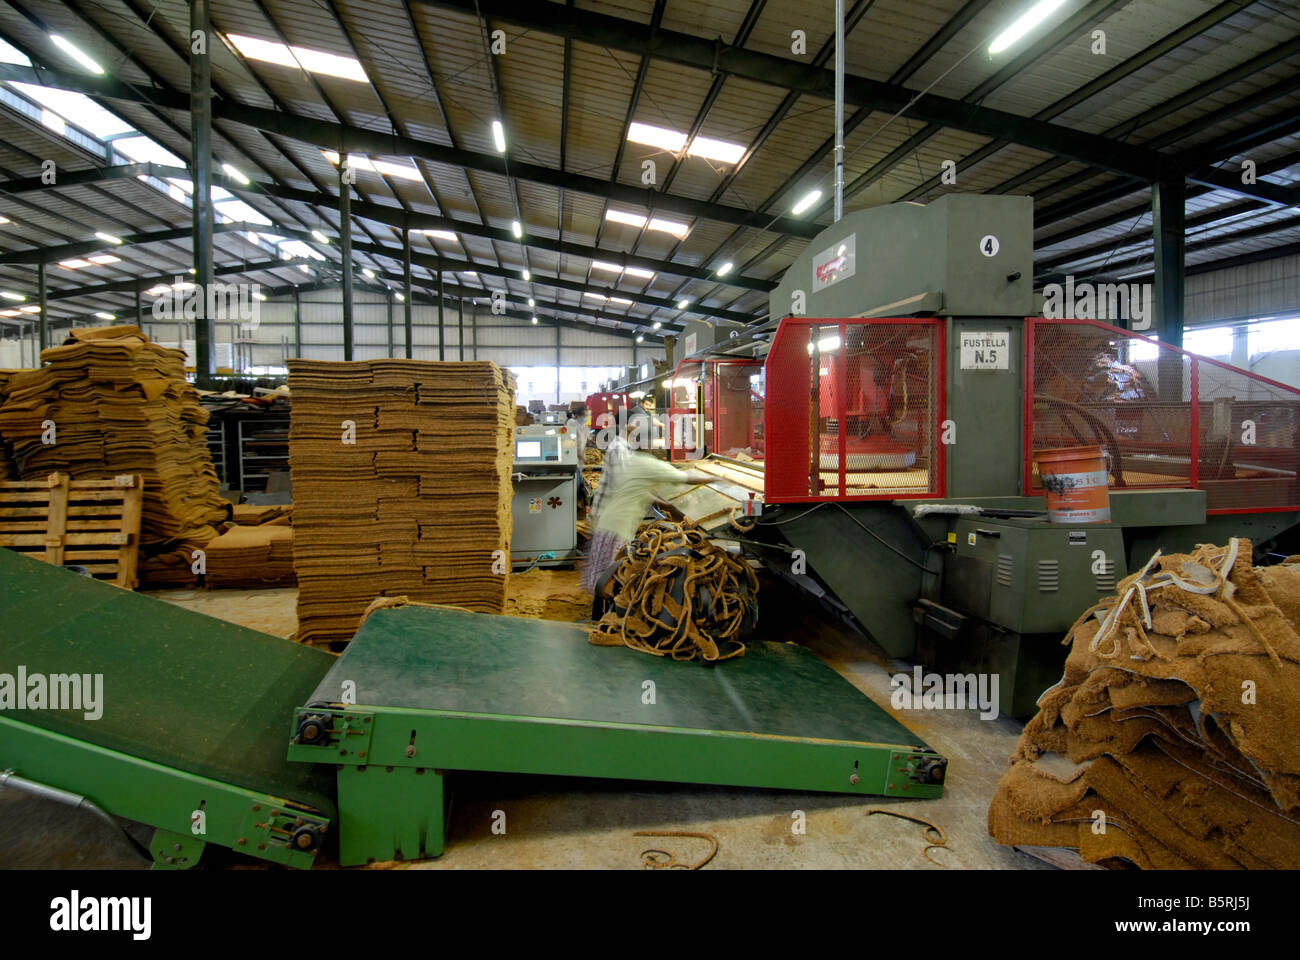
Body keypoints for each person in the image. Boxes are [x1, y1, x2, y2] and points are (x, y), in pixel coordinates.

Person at [581, 414, 716, 613]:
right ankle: (610, 616)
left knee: (603, 572)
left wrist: (665, 504)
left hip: (609, 520)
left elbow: (636, 488)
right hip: (620, 524)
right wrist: (716, 479)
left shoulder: (634, 459)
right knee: (614, 574)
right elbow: (686, 477)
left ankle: (599, 613)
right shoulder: (646, 461)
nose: (662, 448)